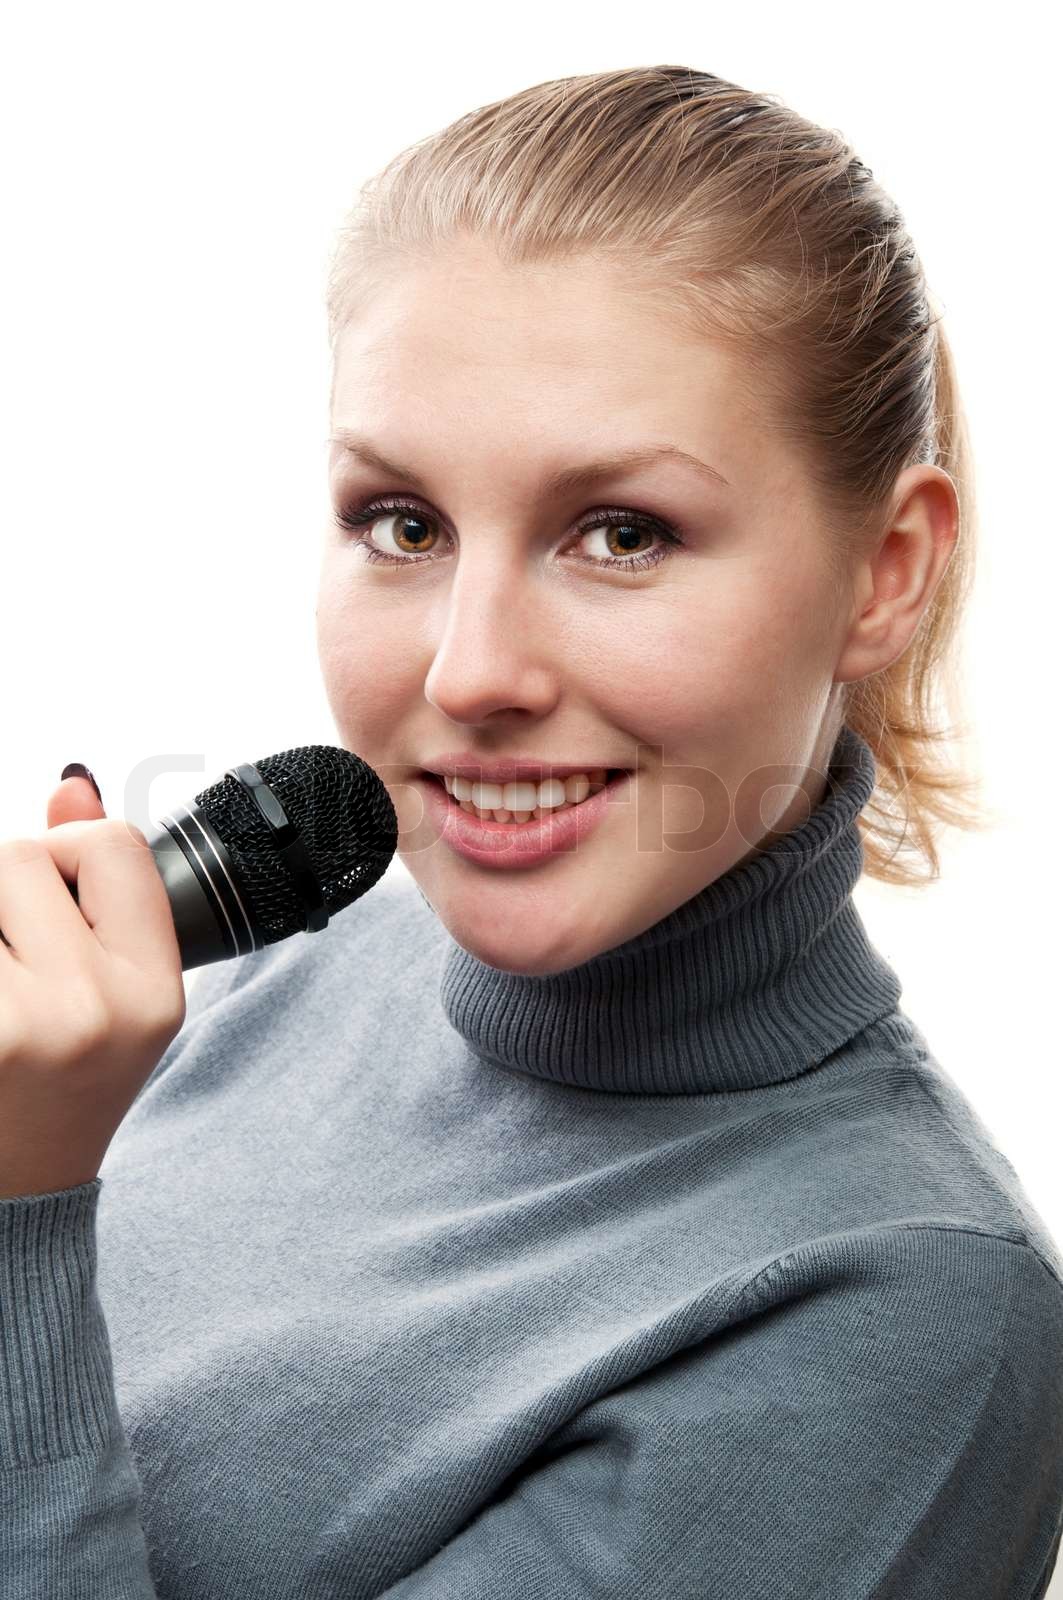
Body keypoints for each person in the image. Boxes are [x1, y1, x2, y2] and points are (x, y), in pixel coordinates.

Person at [1, 63, 1061, 1600]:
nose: (469, 672)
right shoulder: (272, 961)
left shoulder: (905, 1316)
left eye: (620, 534)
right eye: (404, 525)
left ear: (886, 572)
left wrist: (26, 1223)